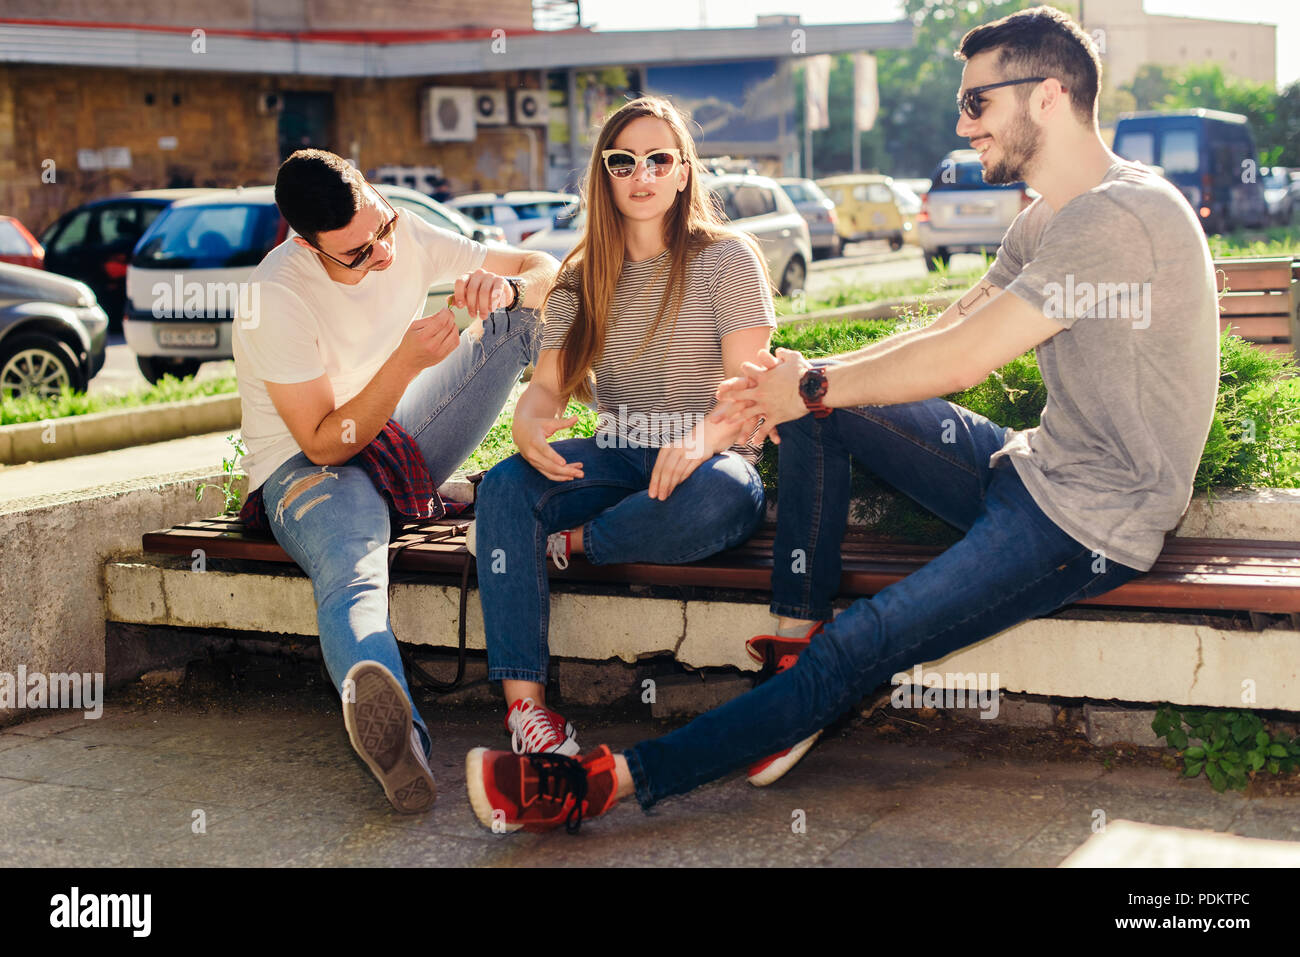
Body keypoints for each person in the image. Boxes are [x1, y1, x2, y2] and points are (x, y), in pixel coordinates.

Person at [463, 5, 1221, 832]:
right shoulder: (1048, 217)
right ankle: (797, 640)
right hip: (1029, 467)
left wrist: (808, 386)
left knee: (862, 643)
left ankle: (597, 785)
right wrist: (789, 391)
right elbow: (943, 328)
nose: (961, 125)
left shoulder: (1119, 217)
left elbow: (966, 361)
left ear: (1046, 96)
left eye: (976, 104)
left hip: (1089, 522)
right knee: (825, 408)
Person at [232, 149, 558, 813]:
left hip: (394, 442)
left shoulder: (402, 232)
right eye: (357, 252)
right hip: (309, 469)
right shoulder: (275, 295)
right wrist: (408, 361)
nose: (382, 254)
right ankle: (398, 736)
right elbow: (325, 440)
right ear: (305, 241)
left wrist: (506, 290)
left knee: (519, 321)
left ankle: (624, 448)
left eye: (380, 229)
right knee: (354, 571)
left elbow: (547, 269)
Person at [465, 96, 774, 760]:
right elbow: (547, 385)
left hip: (708, 459)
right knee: (505, 489)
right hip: (619, 453)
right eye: (624, 160)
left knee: (727, 495)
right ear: (605, 174)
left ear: (684, 171)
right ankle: (528, 714)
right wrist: (527, 426)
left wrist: (699, 441)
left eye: (660, 158)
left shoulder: (728, 259)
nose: (643, 173)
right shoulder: (581, 276)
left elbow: (752, 391)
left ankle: (570, 542)